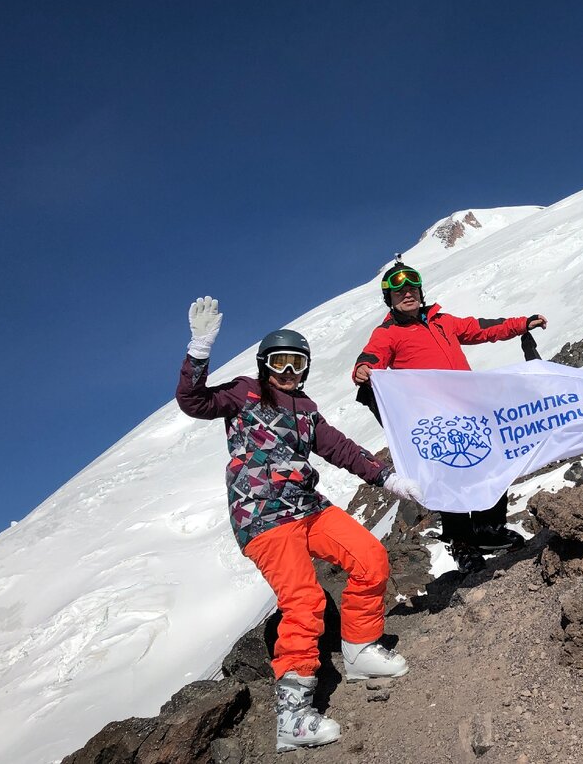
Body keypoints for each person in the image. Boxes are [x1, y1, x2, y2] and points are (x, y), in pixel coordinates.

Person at [176, 296, 425, 753]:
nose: (288, 372)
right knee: (305, 600)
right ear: (264, 365)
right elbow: (193, 401)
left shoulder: (306, 410)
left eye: (297, 364)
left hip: (308, 507)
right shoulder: (244, 392)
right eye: (280, 363)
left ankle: (361, 650)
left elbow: (342, 450)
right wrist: (199, 351)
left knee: (370, 557)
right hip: (263, 516)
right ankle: (292, 716)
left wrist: (387, 478)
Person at [351, 261, 548, 573]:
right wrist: (363, 369)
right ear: (389, 299)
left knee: (491, 461)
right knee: (450, 476)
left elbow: (482, 328)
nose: (407, 294)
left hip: (468, 409)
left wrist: (521, 323)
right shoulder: (388, 333)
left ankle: (488, 530)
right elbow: (371, 356)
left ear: (420, 291)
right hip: (434, 418)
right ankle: (462, 543)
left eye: (412, 288)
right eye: (398, 291)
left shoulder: (443, 321)